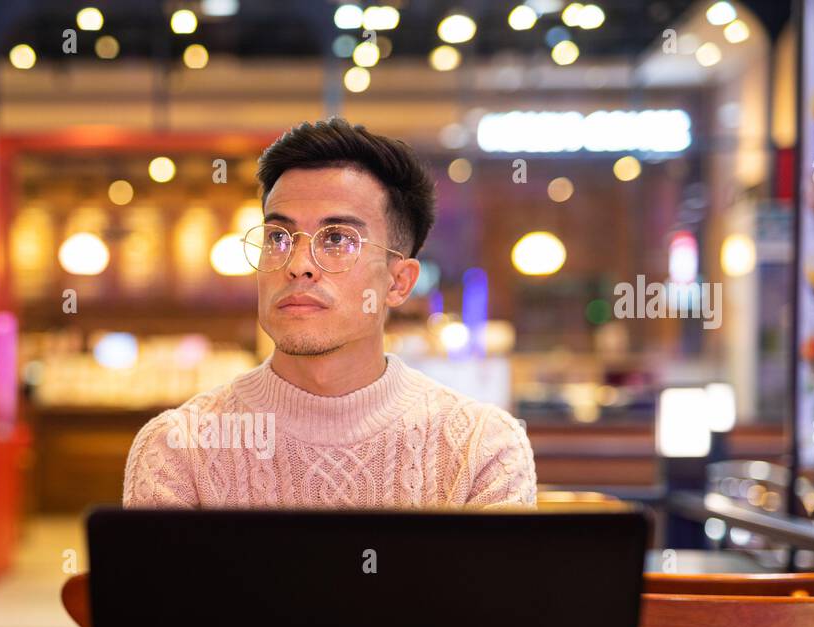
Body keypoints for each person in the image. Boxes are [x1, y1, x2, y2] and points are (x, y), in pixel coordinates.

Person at [123, 117, 536, 508]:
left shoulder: (482, 448)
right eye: (278, 237)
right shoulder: (178, 448)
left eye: (337, 238)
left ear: (398, 282)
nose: (297, 263)